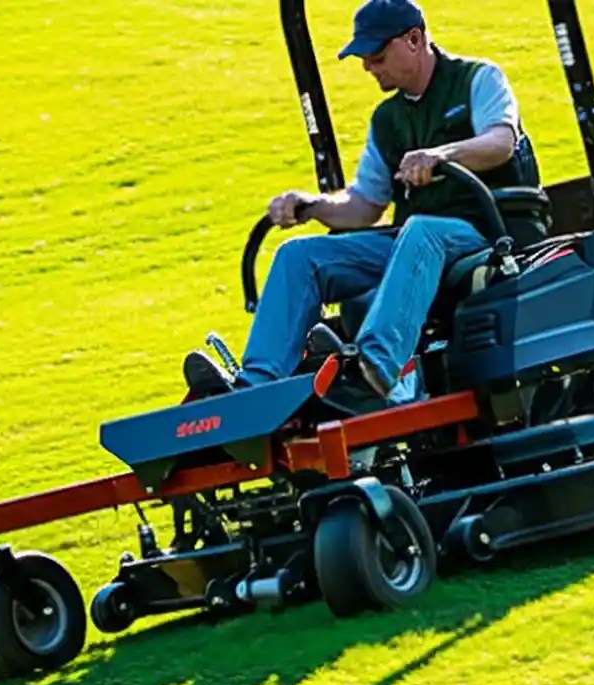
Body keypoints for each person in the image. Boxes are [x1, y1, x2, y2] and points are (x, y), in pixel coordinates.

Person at [184, 0, 540, 403]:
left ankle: (374, 371)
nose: (369, 67)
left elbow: (501, 142)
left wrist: (443, 155)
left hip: (487, 231)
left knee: (422, 232)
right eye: (365, 58)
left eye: (377, 56)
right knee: (299, 256)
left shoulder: (479, 79)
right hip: (413, 242)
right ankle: (255, 387)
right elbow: (364, 205)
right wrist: (311, 205)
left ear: (414, 39)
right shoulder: (387, 120)